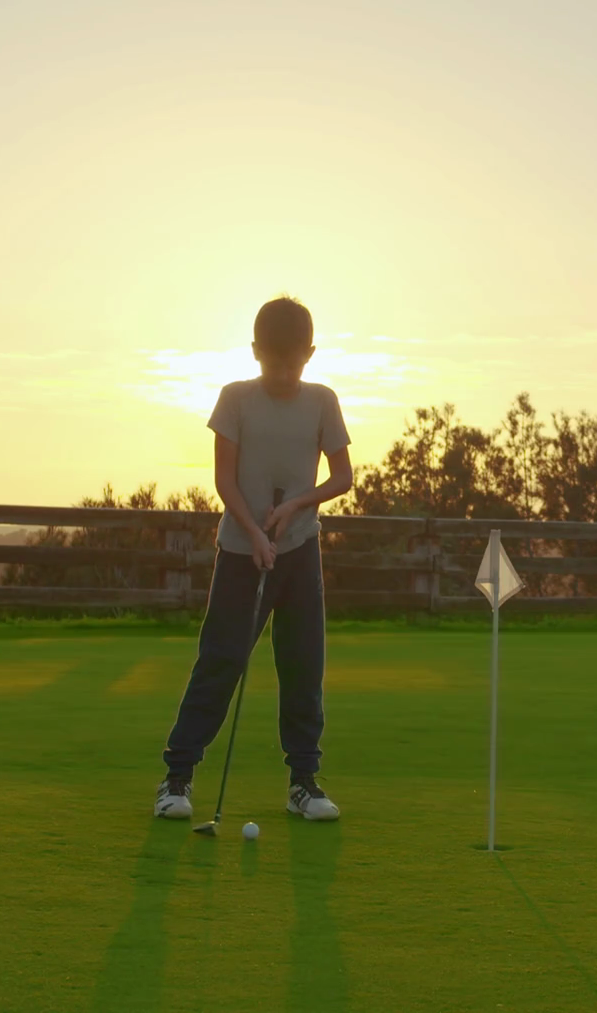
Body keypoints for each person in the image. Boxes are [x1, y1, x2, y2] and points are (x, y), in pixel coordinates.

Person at [154, 296, 353, 822]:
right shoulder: (235, 399)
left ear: (309, 354)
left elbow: (342, 477)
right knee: (220, 660)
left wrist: (293, 506)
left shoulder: (322, 401)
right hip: (243, 553)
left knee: (303, 666)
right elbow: (224, 481)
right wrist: (254, 534)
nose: (283, 372)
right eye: (272, 361)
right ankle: (178, 776)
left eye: (292, 362)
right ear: (254, 352)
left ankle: (303, 782)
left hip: (300, 552)